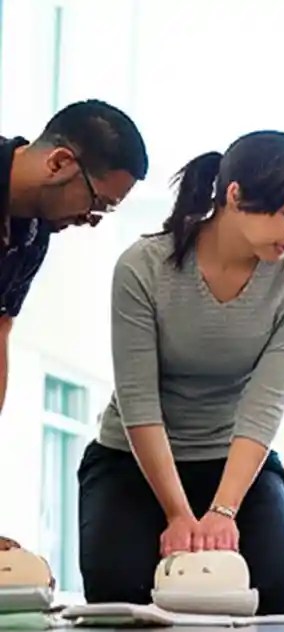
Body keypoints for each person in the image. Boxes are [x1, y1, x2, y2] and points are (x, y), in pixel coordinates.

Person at [77, 130, 284, 616]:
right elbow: (138, 400)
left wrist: (222, 510)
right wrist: (178, 513)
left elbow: (265, 402)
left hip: (231, 460)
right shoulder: (143, 267)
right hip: (133, 459)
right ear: (236, 195)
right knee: (117, 589)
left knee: (277, 589)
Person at [1, 99, 148, 416]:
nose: (88, 220)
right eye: (96, 204)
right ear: (59, 163)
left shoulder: (34, 231)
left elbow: (1, 327)